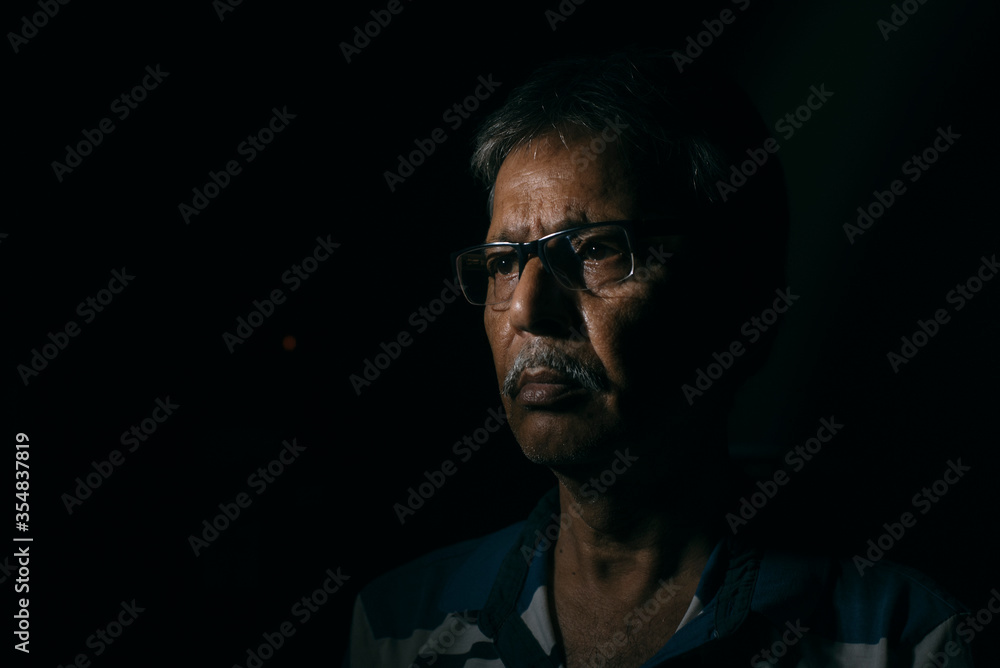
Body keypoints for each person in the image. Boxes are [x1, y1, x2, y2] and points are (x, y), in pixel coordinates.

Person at [345, 50, 974, 667]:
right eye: (506, 262)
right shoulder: (403, 629)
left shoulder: (901, 642)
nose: (526, 310)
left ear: (739, 302)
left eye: (592, 249)